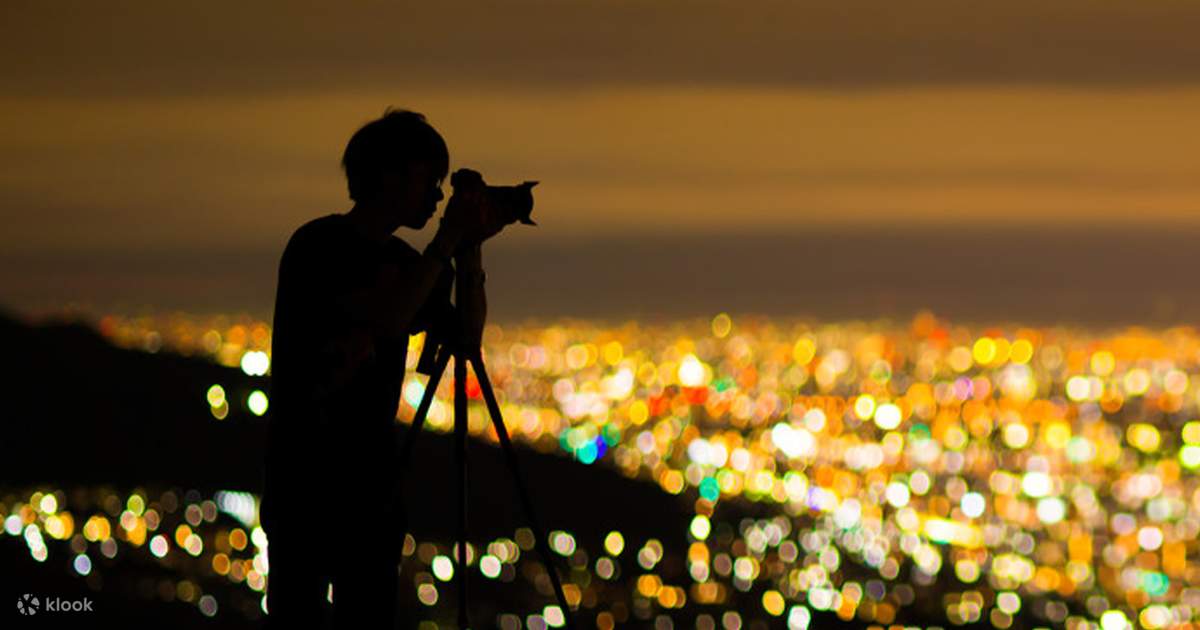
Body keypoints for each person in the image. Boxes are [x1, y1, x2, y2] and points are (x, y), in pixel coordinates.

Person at [262, 109, 499, 628]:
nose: (437, 197)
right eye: (428, 181)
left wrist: (470, 250)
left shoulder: (410, 261)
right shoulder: (318, 247)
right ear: (389, 176)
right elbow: (390, 317)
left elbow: (466, 338)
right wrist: (444, 244)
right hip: (308, 482)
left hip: (372, 488)